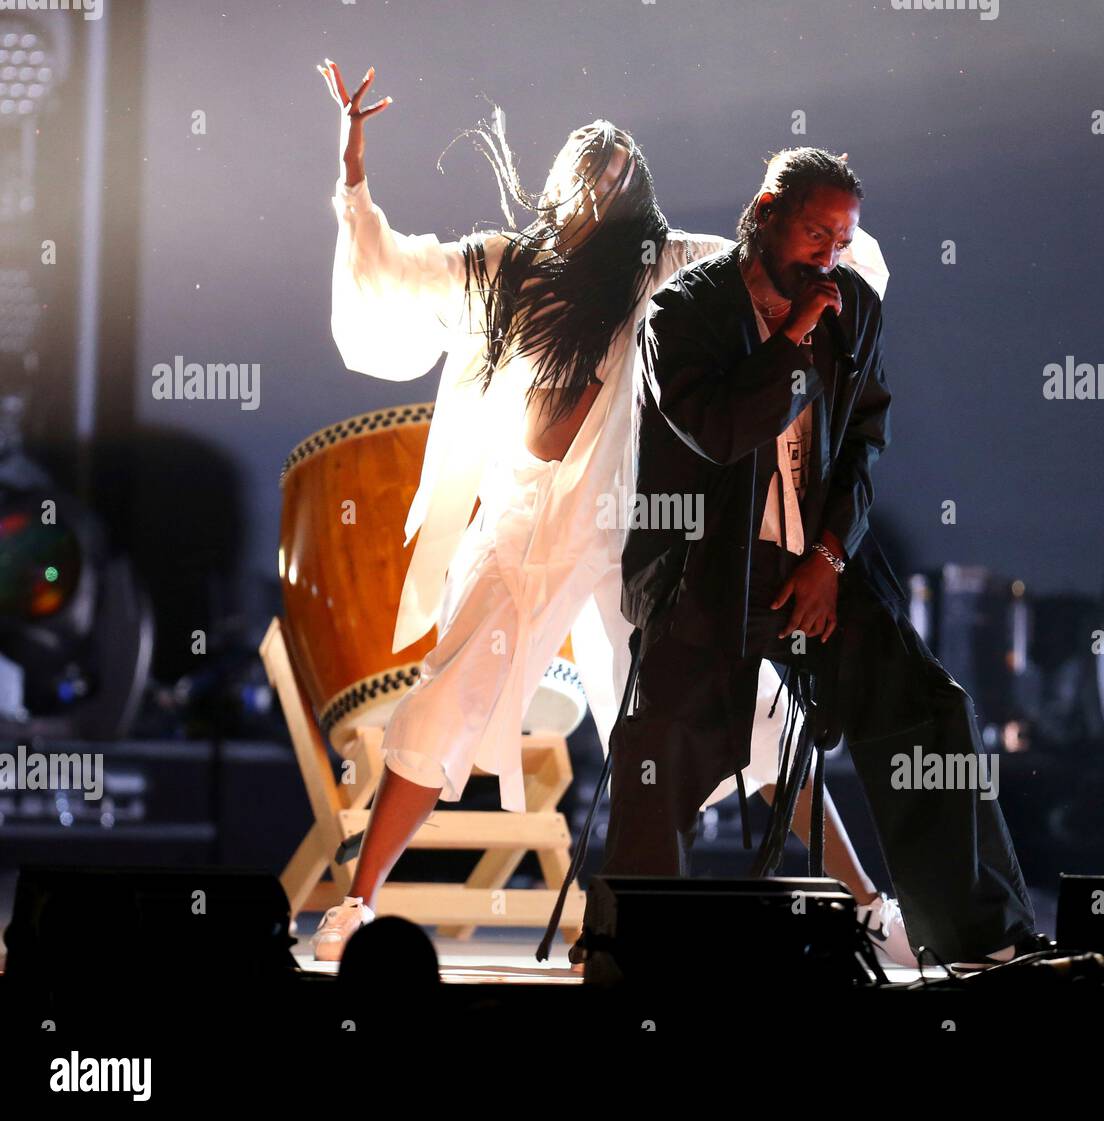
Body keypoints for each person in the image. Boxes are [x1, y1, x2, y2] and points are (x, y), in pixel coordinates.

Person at [312, 59, 912, 967]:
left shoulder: (670, 267)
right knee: (444, 703)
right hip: (523, 533)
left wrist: (828, 243)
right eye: (593, 175)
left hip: (639, 539)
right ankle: (357, 903)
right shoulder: (505, 268)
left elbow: (793, 261)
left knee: (750, 710)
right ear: (564, 189)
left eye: (623, 176)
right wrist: (353, 179)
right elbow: (394, 272)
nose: (607, 184)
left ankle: (867, 901)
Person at [555, 147, 1039, 970]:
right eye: (817, 234)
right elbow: (720, 431)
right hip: (707, 568)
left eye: (841, 242)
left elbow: (864, 442)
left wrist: (827, 558)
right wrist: (793, 339)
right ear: (768, 210)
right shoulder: (684, 314)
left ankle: (980, 937)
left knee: (929, 708)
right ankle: (636, 950)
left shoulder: (854, 307)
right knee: (661, 742)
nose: (828, 257)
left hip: (816, 566)